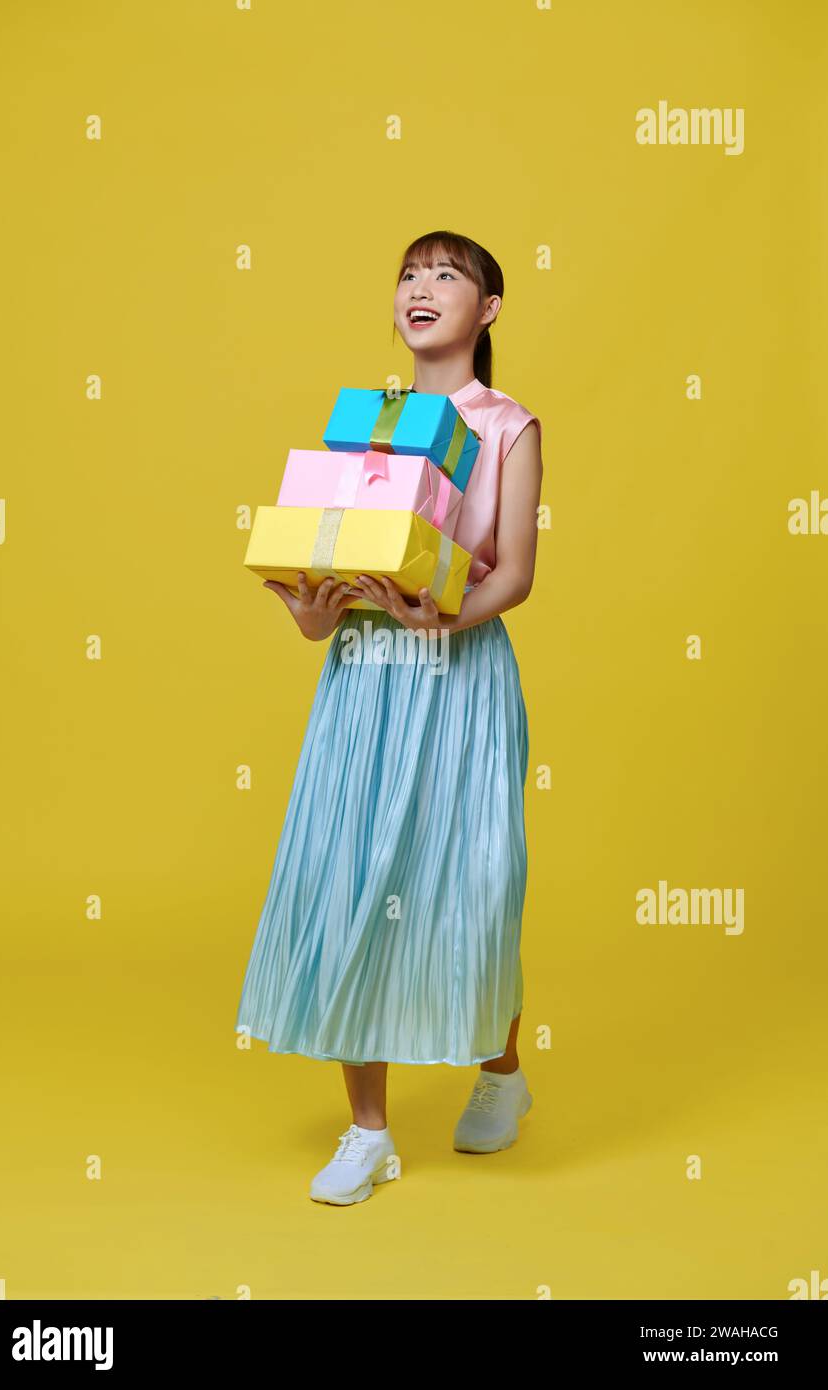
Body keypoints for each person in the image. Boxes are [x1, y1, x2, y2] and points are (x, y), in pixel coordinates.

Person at [235, 230, 544, 1205]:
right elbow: (332, 565)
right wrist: (310, 613)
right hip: (366, 675)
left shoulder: (507, 424)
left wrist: (443, 613)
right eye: (409, 273)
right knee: (354, 882)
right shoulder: (366, 425)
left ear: (485, 310)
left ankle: (499, 1069)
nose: (421, 287)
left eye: (446, 274)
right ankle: (367, 1132)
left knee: (467, 887)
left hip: (456, 677)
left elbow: (516, 576)